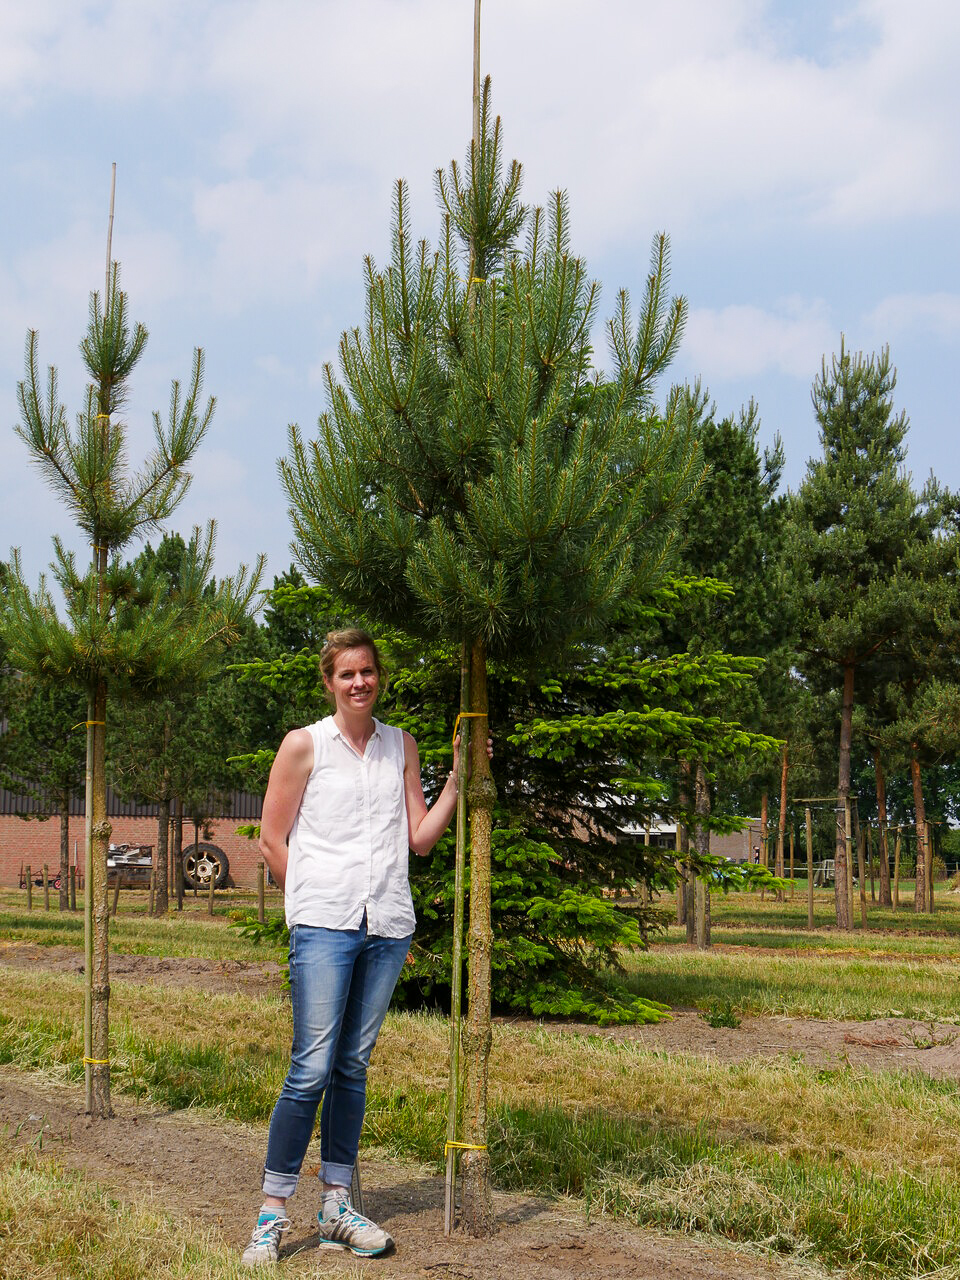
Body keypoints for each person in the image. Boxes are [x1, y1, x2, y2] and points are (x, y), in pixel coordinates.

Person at [242, 627, 488, 1267]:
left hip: (387, 924)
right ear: (329, 682)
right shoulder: (305, 746)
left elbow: (421, 838)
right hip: (323, 923)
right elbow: (272, 841)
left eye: (368, 672)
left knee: (352, 1065)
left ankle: (335, 1206)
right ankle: (271, 1214)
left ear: (379, 678)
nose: (359, 683)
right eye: (346, 674)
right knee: (311, 1066)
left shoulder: (399, 746)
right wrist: (311, 904)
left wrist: (458, 780)